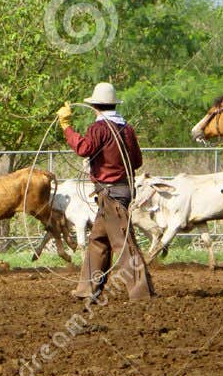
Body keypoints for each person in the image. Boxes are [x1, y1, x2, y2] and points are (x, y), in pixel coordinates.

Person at [55, 82, 154, 303]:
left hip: (110, 194)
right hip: (119, 191)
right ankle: (87, 289)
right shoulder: (126, 128)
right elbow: (137, 161)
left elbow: (83, 149)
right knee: (98, 240)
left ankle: (142, 293)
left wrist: (66, 126)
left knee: (123, 244)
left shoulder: (99, 129)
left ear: (96, 106)